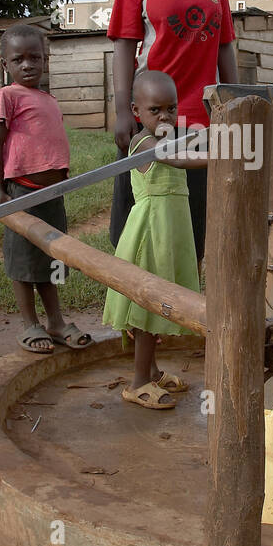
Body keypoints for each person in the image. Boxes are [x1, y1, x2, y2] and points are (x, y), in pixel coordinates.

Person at [107, 0, 238, 264]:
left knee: (194, 217)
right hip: (151, 118)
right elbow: (123, 46)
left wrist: (231, 103)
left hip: (200, 118)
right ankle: (134, 306)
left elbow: (225, 45)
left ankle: (185, 302)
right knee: (139, 217)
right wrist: (121, 112)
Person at [0, 24, 93, 353]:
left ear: (46, 60)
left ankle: (57, 321)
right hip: (23, 192)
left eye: (35, 57)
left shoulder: (49, 99)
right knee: (24, 261)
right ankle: (30, 323)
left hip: (52, 195)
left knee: (54, 258)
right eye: (18, 59)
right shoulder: (6, 96)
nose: (27, 65)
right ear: (6, 65)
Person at [103, 70, 208, 409]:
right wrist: (219, 157)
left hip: (171, 232)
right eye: (155, 110)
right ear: (136, 112)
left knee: (158, 304)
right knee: (148, 308)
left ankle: (153, 372)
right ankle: (137, 383)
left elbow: (186, 144)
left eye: (170, 108)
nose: (164, 116)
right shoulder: (142, 143)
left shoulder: (171, 136)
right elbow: (174, 158)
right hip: (152, 232)